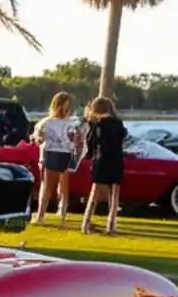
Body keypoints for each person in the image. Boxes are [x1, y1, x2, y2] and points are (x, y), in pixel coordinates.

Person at [80, 96, 128, 235]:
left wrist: (88, 156)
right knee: (115, 194)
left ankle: (86, 224)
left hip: (100, 160)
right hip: (116, 159)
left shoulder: (97, 124)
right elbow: (123, 136)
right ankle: (111, 225)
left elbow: (91, 143)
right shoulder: (118, 123)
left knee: (94, 193)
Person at [30, 92, 78, 228]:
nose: (67, 109)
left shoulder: (70, 123)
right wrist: (39, 138)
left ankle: (61, 213)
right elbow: (38, 137)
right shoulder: (47, 122)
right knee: (48, 185)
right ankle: (41, 214)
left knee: (63, 185)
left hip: (64, 153)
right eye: (65, 105)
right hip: (50, 154)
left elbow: (74, 139)